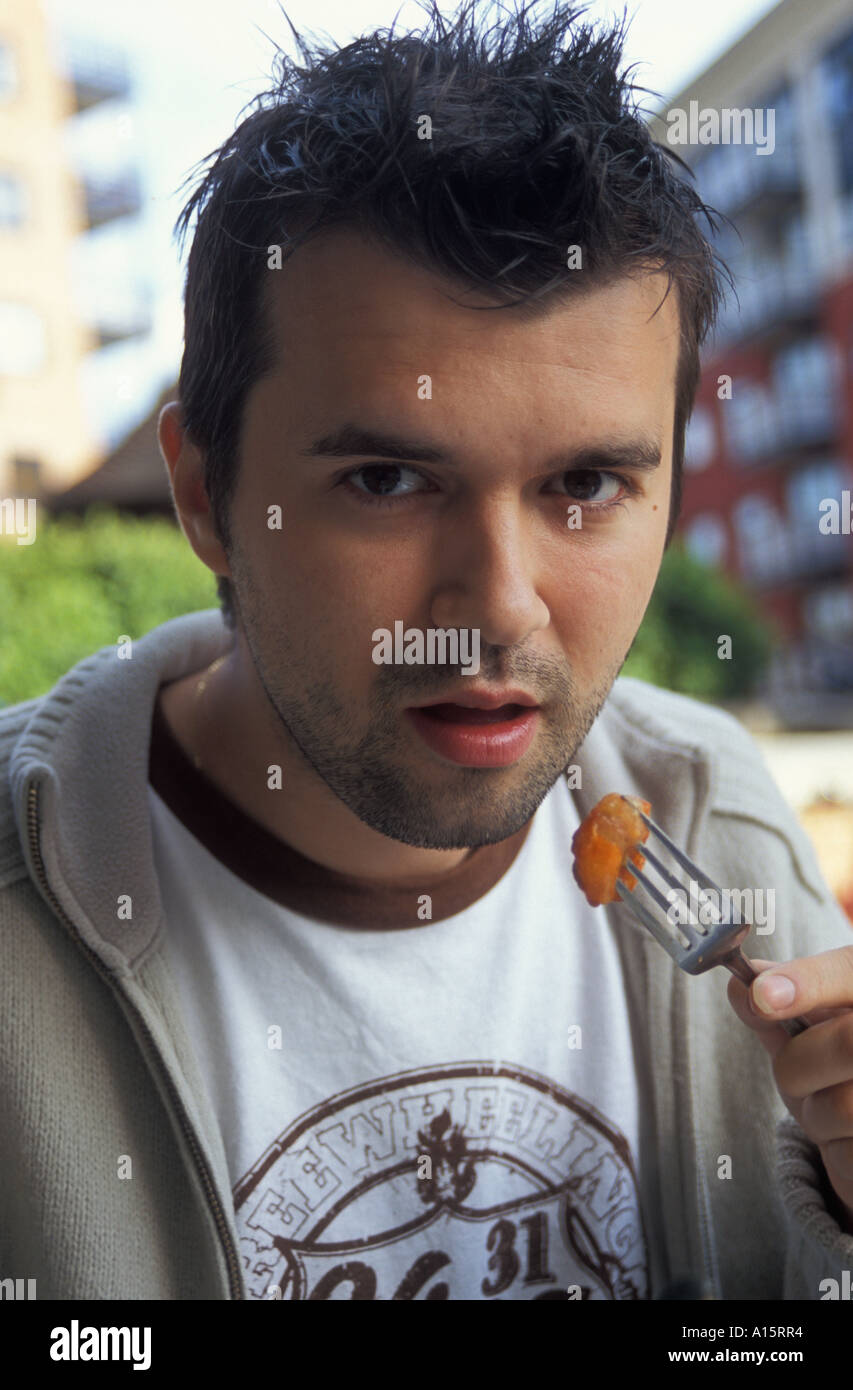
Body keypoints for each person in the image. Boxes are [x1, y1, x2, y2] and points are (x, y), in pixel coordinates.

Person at [2, 0, 852, 1301]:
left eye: (584, 482)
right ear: (203, 491)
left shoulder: (718, 824)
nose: (501, 606)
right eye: (388, 479)